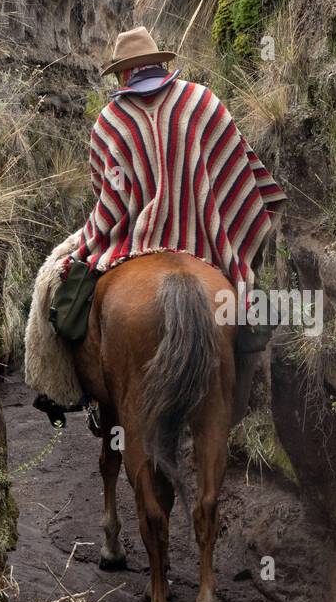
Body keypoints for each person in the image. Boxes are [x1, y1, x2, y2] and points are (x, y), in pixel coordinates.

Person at [24, 26, 286, 428]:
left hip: (134, 244)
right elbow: (238, 173)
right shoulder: (203, 102)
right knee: (248, 293)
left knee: (52, 284)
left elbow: (108, 207)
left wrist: (80, 251)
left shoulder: (109, 123)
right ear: (161, 64)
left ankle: (65, 392)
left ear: (123, 75)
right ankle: (247, 385)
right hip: (206, 242)